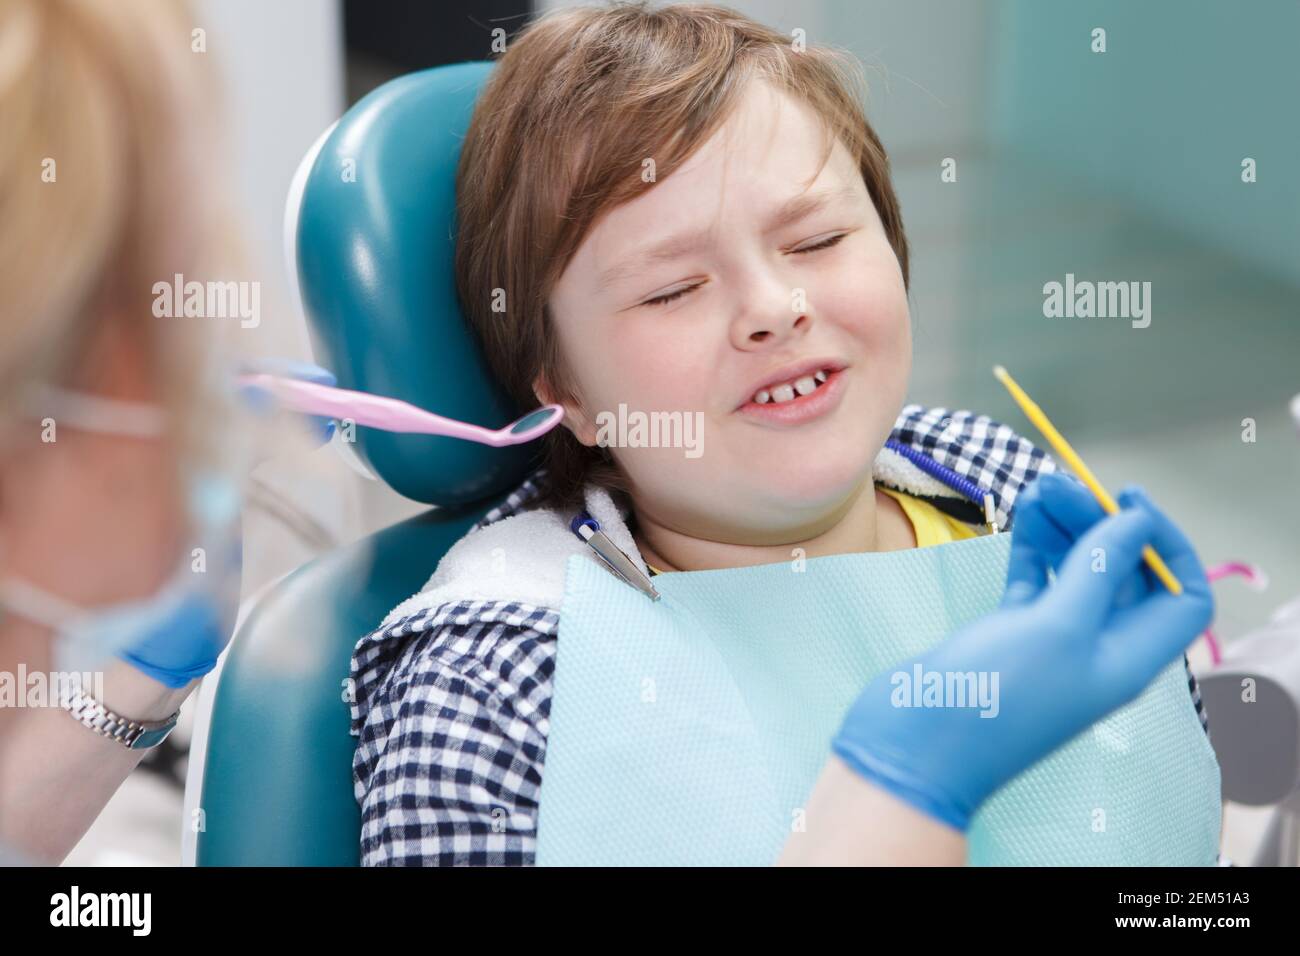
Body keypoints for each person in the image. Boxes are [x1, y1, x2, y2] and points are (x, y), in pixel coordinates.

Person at [348, 2, 1217, 866]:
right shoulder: (492, 686)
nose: (773, 308)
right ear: (562, 389)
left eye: (818, 238)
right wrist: (899, 793)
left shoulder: (1004, 486)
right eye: (671, 289)